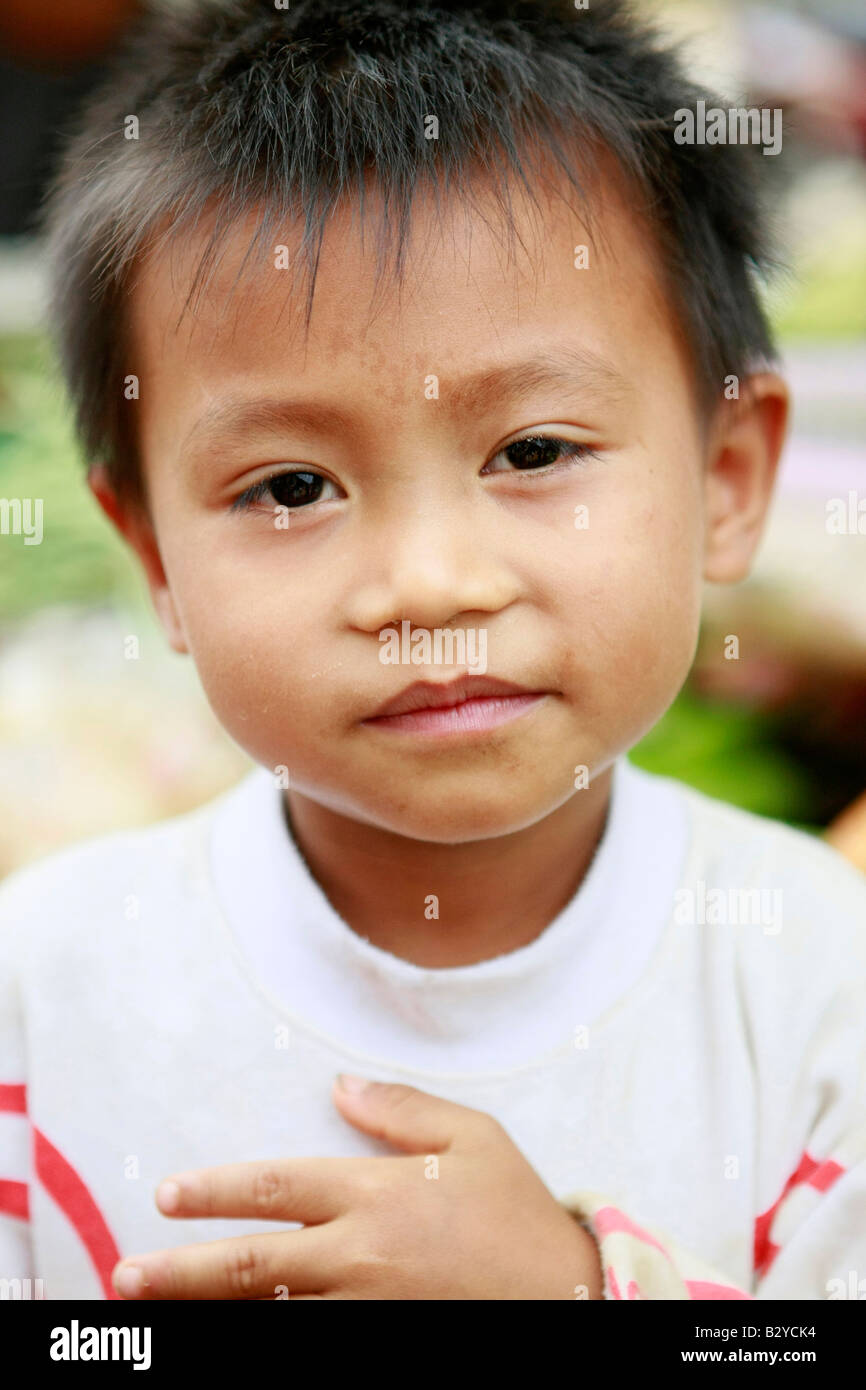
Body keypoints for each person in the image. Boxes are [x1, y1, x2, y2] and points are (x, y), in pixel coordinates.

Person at [1, 0, 863, 1301]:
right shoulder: (43, 995)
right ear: (157, 558)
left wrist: (579, 1287)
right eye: (290, 486)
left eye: (531, 452)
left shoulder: (815, 983)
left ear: (727, 476)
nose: (426, 585)